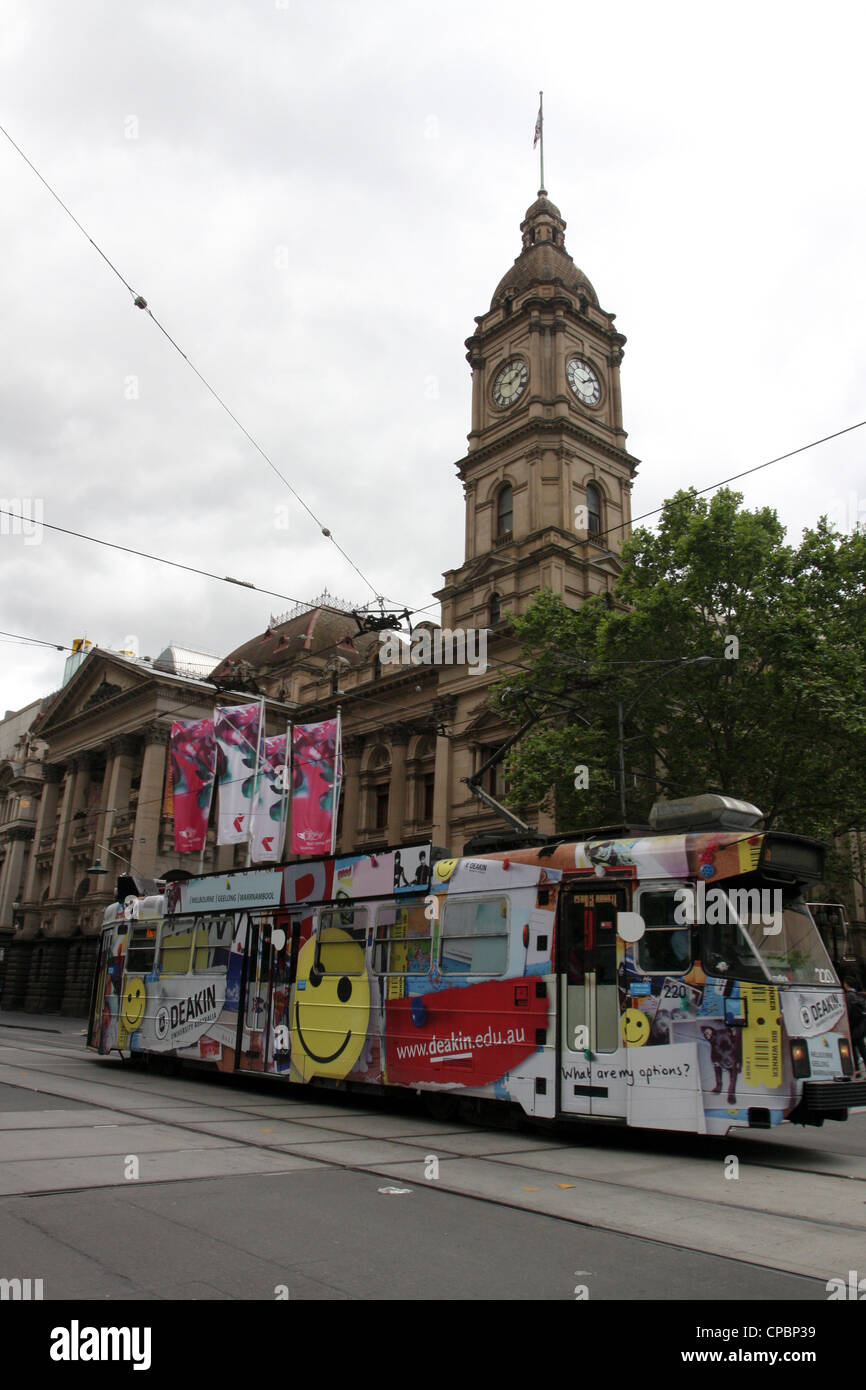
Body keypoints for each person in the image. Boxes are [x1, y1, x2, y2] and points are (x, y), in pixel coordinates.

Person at [844, 978, 866, 1076]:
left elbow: (848, 1012)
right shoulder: (859, 996)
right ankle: (858, 1070)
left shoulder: (848, 997)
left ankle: (857, 1070)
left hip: (853, 1027)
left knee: (853, 1049)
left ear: (846, 984)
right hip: (861, 1026)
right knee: (862, 1048)